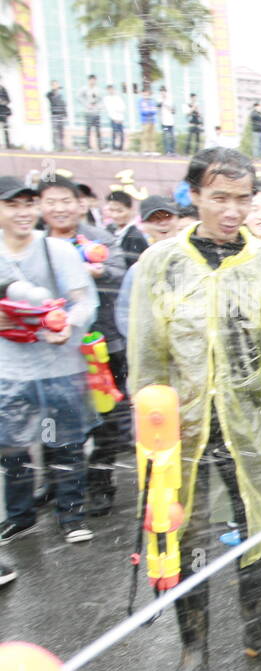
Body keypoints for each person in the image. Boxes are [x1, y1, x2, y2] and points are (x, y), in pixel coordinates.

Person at [129, 147, 261, 671]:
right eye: (219, 198)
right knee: (183, 531)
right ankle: (193, 646)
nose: (233, 211)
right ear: (195, 197)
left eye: (242, 199)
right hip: (179, 430)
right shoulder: (160, 264)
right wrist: (153, 426)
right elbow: (147, 351)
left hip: (251, 423)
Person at [0, 176, 99, 546]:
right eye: (13, 205)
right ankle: (20, 516)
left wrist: (67, 325)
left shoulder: (57, 250)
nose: (24, 213)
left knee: (64, 443)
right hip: (10, 370)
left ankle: (72, 515)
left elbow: (85, 301)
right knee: (12, 447)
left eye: (28, 205)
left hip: (59, 366)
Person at [37, 176, 128, 517]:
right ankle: (55, 483)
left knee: (107, 419)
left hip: (101, 345)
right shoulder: (34, 242)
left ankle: (100, 484)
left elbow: (120, 271)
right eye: (51, 201)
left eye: (66, 201)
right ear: (40, 206)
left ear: (80, 205)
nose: (59, 208)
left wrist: (96, 271)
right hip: (50, 348)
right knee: (53, 416)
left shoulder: (99, 238)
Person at [114, 195, 180, 341]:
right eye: (154, 219)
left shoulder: (195, 261)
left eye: (167, 216)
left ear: (177, 219)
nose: (162, 223)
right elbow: (125, 313)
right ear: (143, 225)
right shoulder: (138, 269)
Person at [78, 75, 103, 151]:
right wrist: (86, 104)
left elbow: (100, 99)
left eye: (94, 80)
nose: (93, 81)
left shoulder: (98, 89)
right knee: (88, 130)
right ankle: (88, 146)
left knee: (98, 130)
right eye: (91, 80)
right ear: (88, 80)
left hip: (96, 112)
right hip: (88, 112)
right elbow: (79, 97)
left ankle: (100, 146)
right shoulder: (84, 89)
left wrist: (99, 107)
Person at [104, 83, 126, 151]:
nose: (111, 91)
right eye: (109, 90)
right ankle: (114, 148)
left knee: (121, 134)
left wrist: (120, 118)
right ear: (107, 90)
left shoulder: (118, 98)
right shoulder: (106, 99)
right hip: (113, 119)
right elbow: (109, 109)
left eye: (112, 89)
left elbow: (123, 107)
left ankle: (120, 148)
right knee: (114, 134)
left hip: (120, 119)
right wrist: (114, 118)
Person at [137, 85, 158, 154]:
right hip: (145, 121)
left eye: (147, 92)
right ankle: (145, 150)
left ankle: (152, 150)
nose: (146, 94)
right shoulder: (141, 101)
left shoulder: (152, 101)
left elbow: (155, 110)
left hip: (152, 120)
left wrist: (149, 111)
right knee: (145, 136)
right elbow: (143, 111)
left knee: (152, 136)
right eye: (144, 92)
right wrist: (149, 111)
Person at [46, 82, 67, 150]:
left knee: (61, 132)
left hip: (61, 115)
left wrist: (65, 113)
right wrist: (53, 90)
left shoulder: (61, 95)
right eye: (55, 85)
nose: (57, 86)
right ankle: (55, 147)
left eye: (57, 85)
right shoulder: (50, 94)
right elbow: (48, 96)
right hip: (54, 115)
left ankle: (61, 147)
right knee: (55, 131)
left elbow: (63, 104)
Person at [158, 86, 175, 155]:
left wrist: (164, 104)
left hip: (171, 122)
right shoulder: (159, 101)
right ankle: (167, 151)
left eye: (164, 92)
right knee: (166, 137)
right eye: (161, 92)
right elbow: (157, 109)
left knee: (172, 137)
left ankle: (172, 151)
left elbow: (173, 111)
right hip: (164, 122)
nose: (163, 94)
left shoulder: (170, 100)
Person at [0, 83, 11, 149]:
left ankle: (8, 145)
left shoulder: (3, 89)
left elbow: (8, 100)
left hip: (3, 111)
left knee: (5, 128)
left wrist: (3, 101)